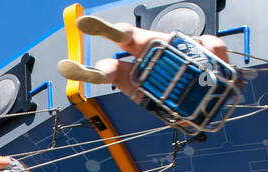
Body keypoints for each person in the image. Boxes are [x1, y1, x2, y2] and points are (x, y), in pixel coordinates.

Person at [56, 14, 234, 113]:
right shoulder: (225, 88)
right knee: (122, 69)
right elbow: (217, 47)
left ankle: (104, 70)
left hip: (178, 73)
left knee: (131, 43)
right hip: (178, 104)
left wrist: (195, 42)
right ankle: (106, 64)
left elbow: (216, 45)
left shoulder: (225, 77)